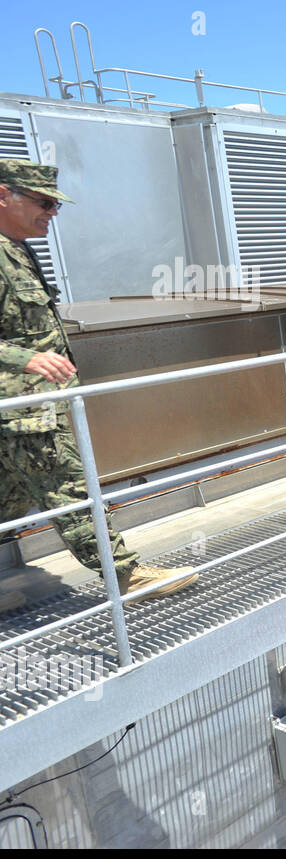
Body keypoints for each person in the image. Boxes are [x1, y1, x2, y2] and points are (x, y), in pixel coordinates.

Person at [0, 158, 196, 604]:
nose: (51, 213)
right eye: (44, 202)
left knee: (9, 498)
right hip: (21, 412)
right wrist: (24, 357)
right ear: (3, 195)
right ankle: (125, 575)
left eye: (56, 206)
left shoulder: (16, 249)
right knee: (71, 488)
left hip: (34, 405)